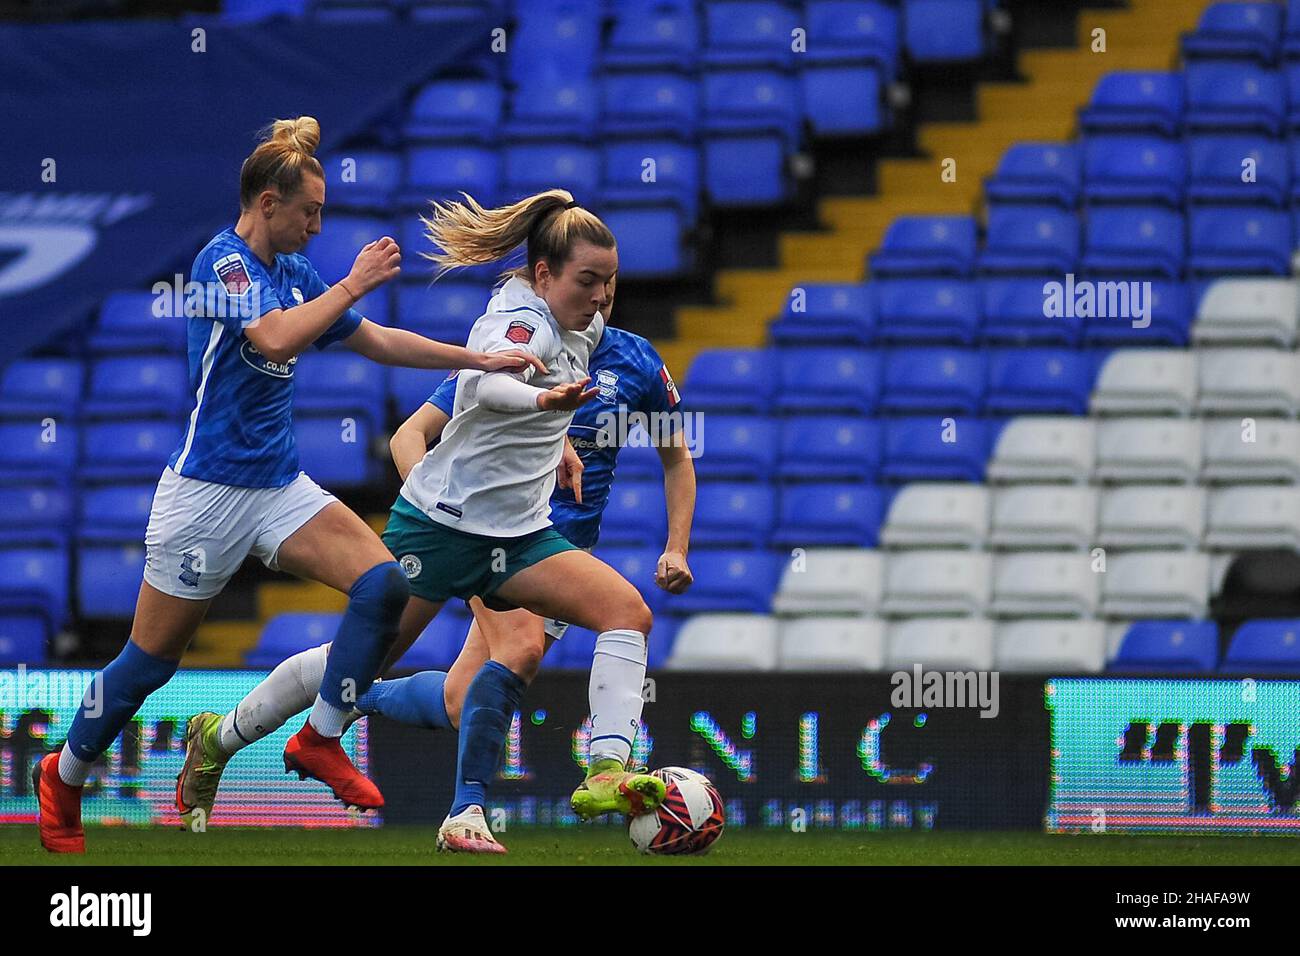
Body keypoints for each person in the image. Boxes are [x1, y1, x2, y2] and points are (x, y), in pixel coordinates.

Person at [31, 117, 544, 854]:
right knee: (148, 663)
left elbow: (375, 342)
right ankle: (66, 773)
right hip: (206, 494)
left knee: (384, 586)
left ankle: (320, 739)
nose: (318, 222)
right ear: (268, 203)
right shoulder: (222, 264)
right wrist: (352, 281)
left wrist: (478, 361)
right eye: (311, 210)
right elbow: (272, 338)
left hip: (277, 485)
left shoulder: (297, 274)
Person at [182, 285, 698, 853]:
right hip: (477, 533)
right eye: (587, 277)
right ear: (552, 279)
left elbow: (677, 456)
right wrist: (439, 509)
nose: (600, 293)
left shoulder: (636, 361)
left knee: (450, 696)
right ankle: (469, 811)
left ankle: (226, 733)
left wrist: (676, 546)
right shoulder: (518, 349)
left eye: (611, 277)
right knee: (519, 649)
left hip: (549, 551)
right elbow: (410, 436)